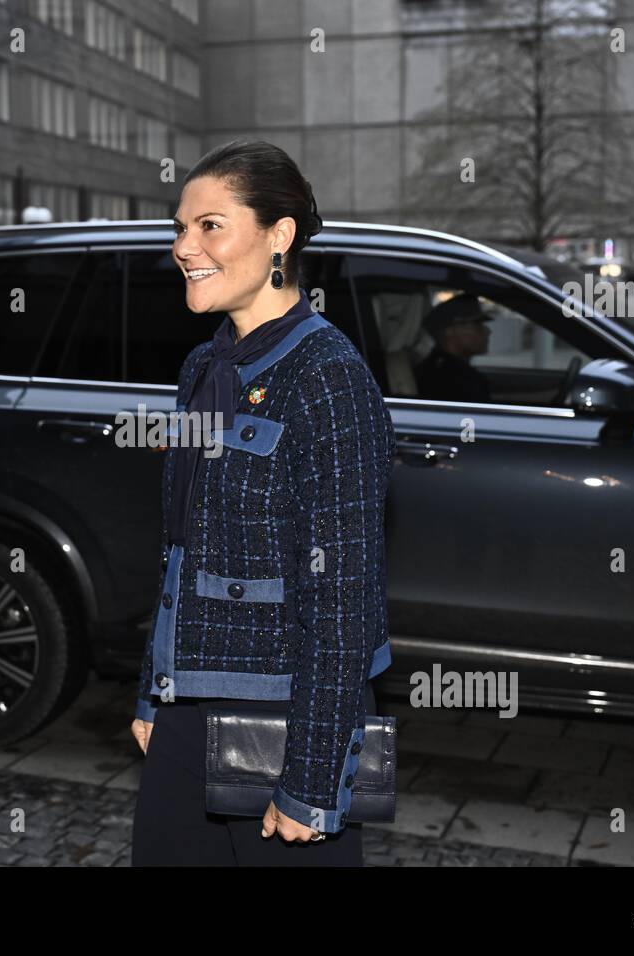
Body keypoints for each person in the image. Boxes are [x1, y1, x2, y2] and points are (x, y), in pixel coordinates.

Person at [129, 140, 395, 865]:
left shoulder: (330, 379)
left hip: (283, 718)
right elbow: (179, 547)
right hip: (187, 700)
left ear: (279, 236)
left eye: (210, 226)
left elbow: (343, 597)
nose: (185, 247)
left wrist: (313, 782)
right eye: (180, 227)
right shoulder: (202, 366)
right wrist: (155, 691)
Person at [412, 293, 493, 403]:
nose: (487, 331)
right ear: (449, 331)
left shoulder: (438, 369)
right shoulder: (451, 380)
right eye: (476, 325)